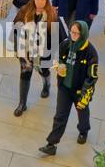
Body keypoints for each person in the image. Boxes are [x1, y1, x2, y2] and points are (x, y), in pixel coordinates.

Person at [38, 20, 98, 155]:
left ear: (83, 34)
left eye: (77, 33)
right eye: (72, 32)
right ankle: (51, 144)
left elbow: (92, 77)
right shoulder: (65, 44)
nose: (73, 35)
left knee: (82, 112)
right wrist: (59, 67)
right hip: (65, 88)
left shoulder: (91, 52)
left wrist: (85, 96)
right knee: (60, 116)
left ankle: (83, 130)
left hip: (80, 91)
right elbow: (60, 60)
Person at [13, 0, 57, 116]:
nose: (39, 2)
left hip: (43, 52)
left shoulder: (52, 14)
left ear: (46, 0)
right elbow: (15, 29)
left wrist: (52, 55)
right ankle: (22, 103)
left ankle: (47, 84)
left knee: (43, 71)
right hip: (26, 51)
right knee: (25, 74)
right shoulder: (24, 11)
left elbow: (56, 37)